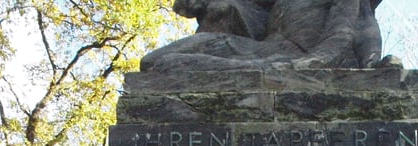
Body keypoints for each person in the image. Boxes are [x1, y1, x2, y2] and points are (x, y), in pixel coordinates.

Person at [141, 0, 387, 72]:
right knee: (151, 62)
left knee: (165, 66)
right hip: (254, 49)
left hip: (293, 58)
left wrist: (372, 63)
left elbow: (351, 30)